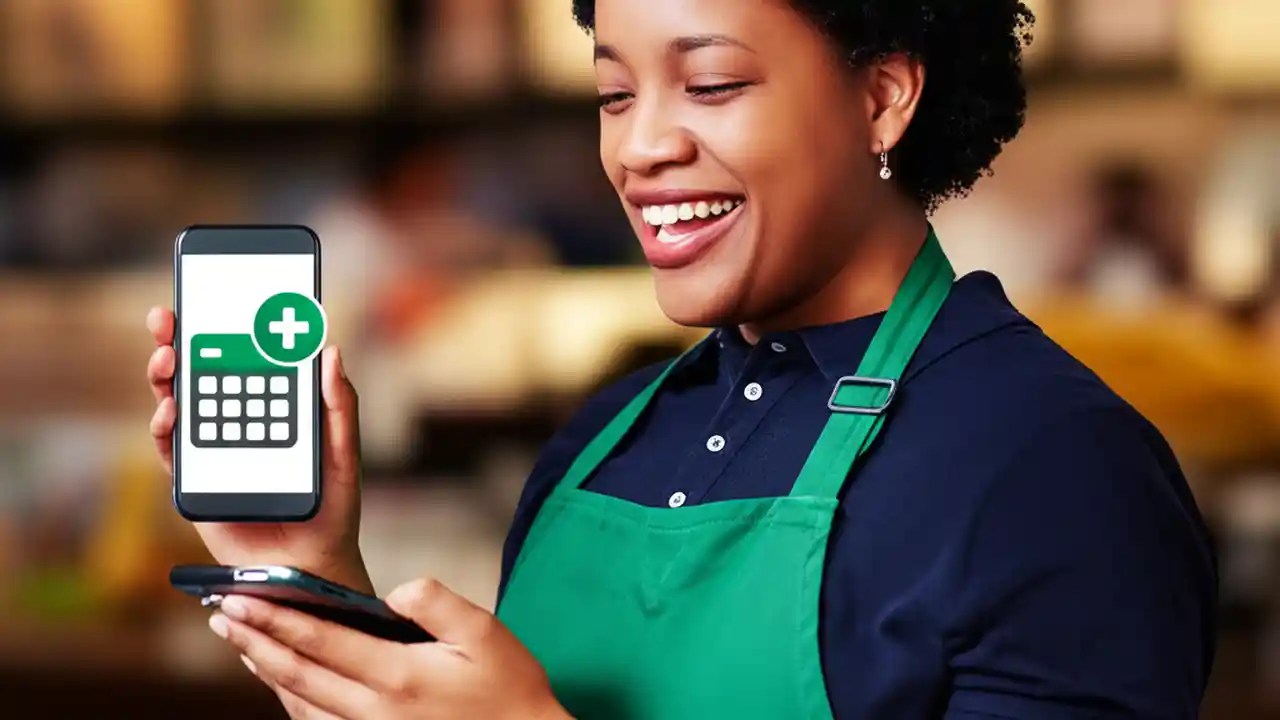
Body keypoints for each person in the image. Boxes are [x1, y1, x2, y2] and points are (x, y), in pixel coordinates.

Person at [145, 0, 1217, 717]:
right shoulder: (595, 444)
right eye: (615, 95)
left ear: (882, 96)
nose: (640, 147)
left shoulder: (1055, 464)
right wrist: (309, 570)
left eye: (708, 84)